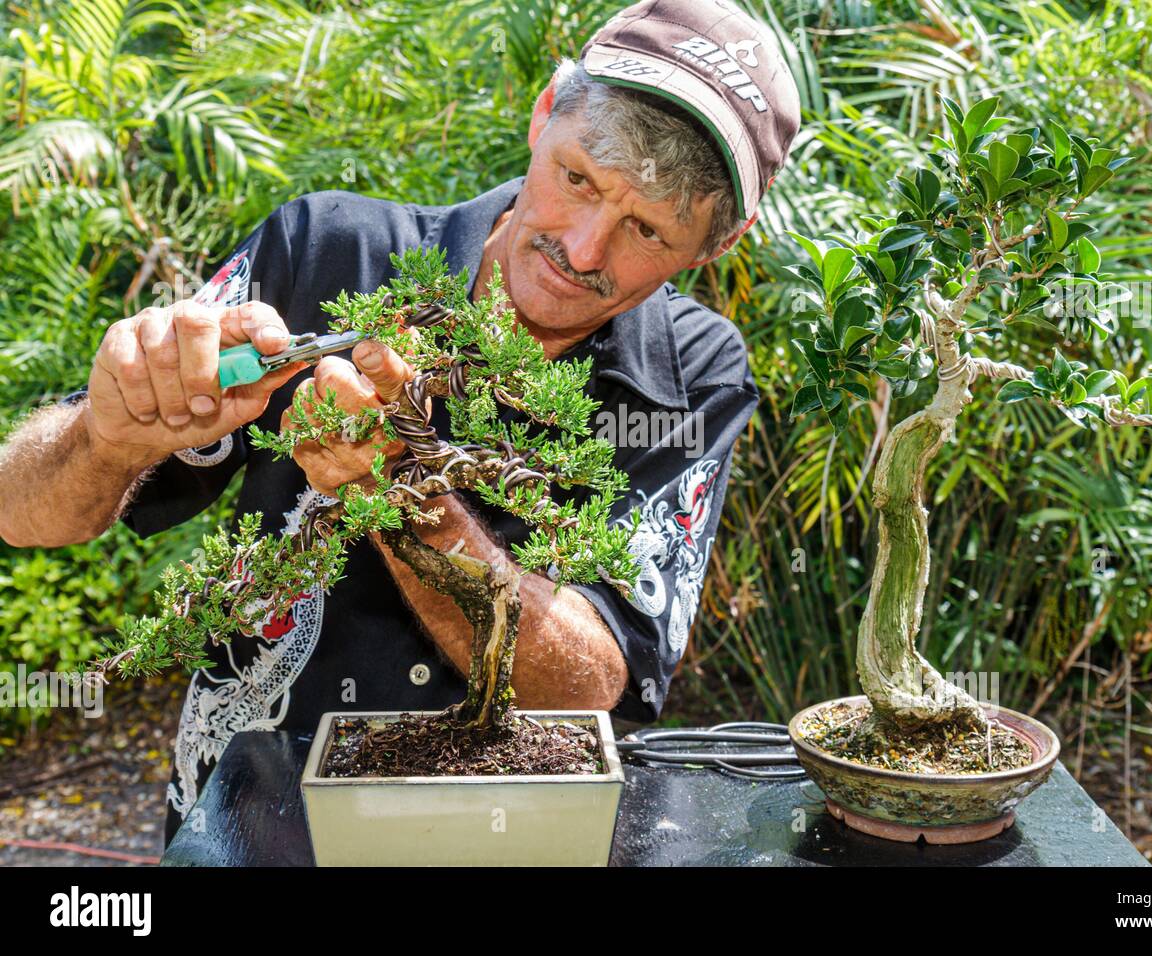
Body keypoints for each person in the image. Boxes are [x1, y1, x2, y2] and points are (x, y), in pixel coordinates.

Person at [0, 0, 800, 843]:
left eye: (645, 229)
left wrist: (401, 486)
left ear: (718, 242)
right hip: (253, 832)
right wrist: (104, 437)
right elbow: (22, 513)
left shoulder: (693, 378)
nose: (587, 249)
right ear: (543, 114)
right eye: (577, 180)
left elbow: (593, 683)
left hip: (511, 839)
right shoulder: (323, 254)